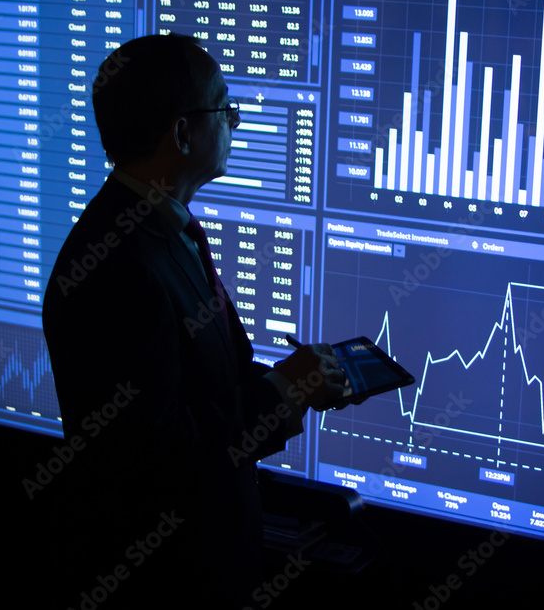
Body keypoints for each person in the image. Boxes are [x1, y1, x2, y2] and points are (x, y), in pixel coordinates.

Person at [41, 34, 347, 607]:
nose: (235, 121)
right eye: (224, 107)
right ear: (182, 134)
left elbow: (204, 383)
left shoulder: (160, 228)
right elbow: (154, 451)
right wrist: (285, 389)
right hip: (170, 586)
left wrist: (298, 382)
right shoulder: (117, 267)